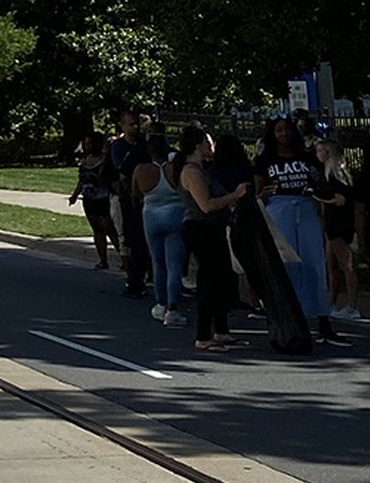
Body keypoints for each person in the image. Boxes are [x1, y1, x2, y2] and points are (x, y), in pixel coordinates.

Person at [255, 119, 348, 345]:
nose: (283, 134)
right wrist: (265, 193)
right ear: (272, 134)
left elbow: (320, 183)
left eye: (287, 129)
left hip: (305, 208)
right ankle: (293, 319)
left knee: (313, 263)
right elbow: (257, 191)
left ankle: (323, 320)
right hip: (279, 208)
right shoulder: (265, 160)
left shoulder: (306, 158)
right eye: (278, 130)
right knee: (287, 264)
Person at [178, 129, 248, 351]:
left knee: (221, 279)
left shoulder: (204, 169)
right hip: (200, 228)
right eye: (208, 142)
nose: (212, 146)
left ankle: (221, 330)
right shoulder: (191, 171)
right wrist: (234, 195)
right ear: (198, 145)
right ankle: (203, 335)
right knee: (208, 280)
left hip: (214, 228)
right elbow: (206, 205)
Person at [135, 133, 189, 327]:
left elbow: (135, 193)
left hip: (151, 215)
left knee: (158, 263)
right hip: (175, 215)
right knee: (174, 265)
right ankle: (172, 309)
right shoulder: (174, 168)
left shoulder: (141, 170)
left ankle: (160, 304)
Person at [314, 139, 360, 321]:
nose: (318, 154)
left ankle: (352, 306)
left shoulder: (335, 177)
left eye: (321, 150)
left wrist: (317, 197)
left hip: (338, 224)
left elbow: (339, 200)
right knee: (331, 265)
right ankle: (331, 302)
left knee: (346, 265)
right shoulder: (327, 175)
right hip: (331, 223)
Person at [109, 112, 150, 299]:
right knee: (129, 240)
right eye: (131, 125)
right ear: (122, 126)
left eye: (137, 125)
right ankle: (132, 278)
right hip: (127, 199)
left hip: (147, 198)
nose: (135, 128)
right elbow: (122, 173)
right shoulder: (119, 147)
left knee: (143, 241)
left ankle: (141, 276)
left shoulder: (144, 146)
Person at [69, 133, 119, 269]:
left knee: (109, 228)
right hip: (89, 198)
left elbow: (109, 179)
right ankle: (103, 260)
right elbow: (81, 180)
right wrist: (74, 195)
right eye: (86, 144)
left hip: (102, 197)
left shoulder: (104, 160)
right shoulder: (85, 160)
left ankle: (123, 258)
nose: (87, 146)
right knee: (97, 229)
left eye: (90, 143)